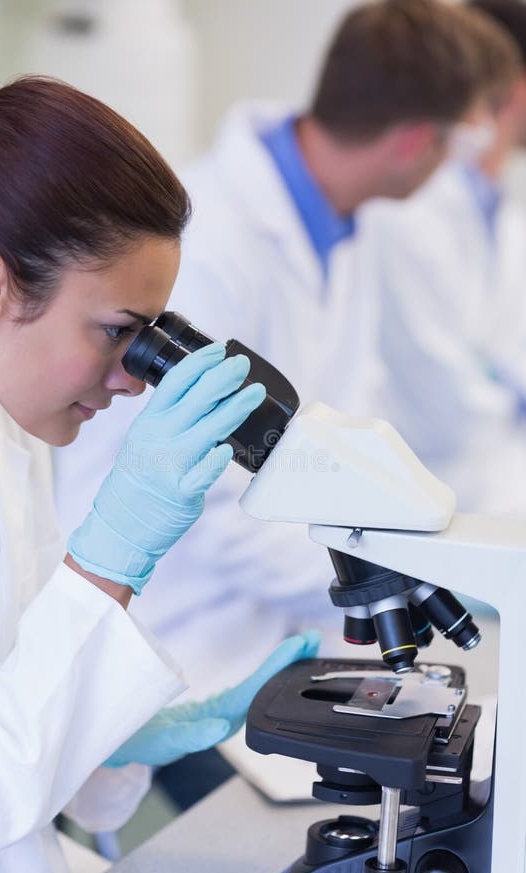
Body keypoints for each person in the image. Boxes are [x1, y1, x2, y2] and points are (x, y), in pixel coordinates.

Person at [53, 0, 517, 808]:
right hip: (182, 648)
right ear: (418, 141)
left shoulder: (348, 228)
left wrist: (406, 547)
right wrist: (390, 566)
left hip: (275, 636)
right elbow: (195, 497)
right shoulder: (209, 242)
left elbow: (348, 434)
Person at [0, 65, 321, 873]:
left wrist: (123, 737)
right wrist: (110, 560)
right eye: (117, 332)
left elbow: (10, 704)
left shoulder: (3, 427)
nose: (134, 376)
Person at [361, 0, 526, 517]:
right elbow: (448, 410)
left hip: (493, 480)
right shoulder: (410, 210)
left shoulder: (500, 211)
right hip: (447, 491)